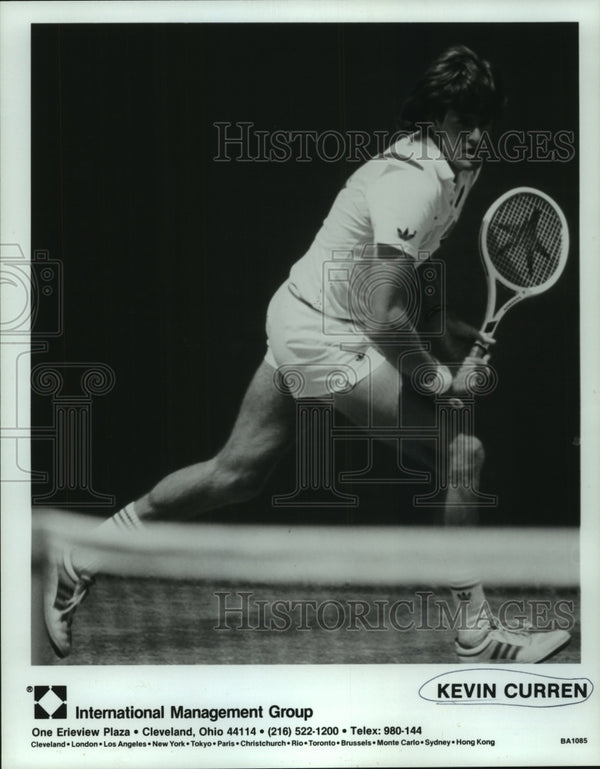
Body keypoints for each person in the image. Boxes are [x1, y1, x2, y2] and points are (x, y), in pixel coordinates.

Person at [44, 45, 570, 663]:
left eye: (486, 123)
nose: (477, 137)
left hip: (301, 311)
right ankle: (475, 631)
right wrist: (437, 377)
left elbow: (404, 285)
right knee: (462, 450)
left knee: (236, 472)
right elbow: (382, 316)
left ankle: (81, 554)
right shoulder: (410, 184)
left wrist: (451, 332)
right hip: (324, 333)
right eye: (463, 123)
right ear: (434, 119)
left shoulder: (460, 172)